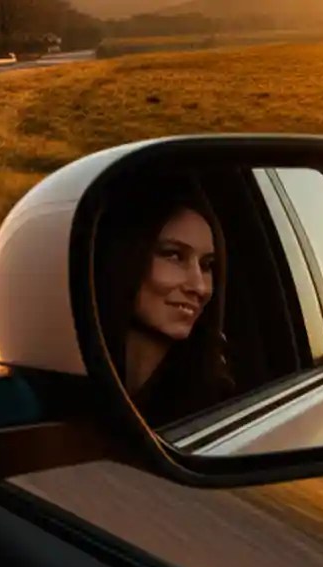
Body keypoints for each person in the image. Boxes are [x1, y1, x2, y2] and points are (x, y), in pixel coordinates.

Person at [96, 175, 234, 429]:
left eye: (207, 266)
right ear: (125, 258)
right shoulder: (77, 385)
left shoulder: (215, 400)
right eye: (173, 255)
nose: (199, 287)